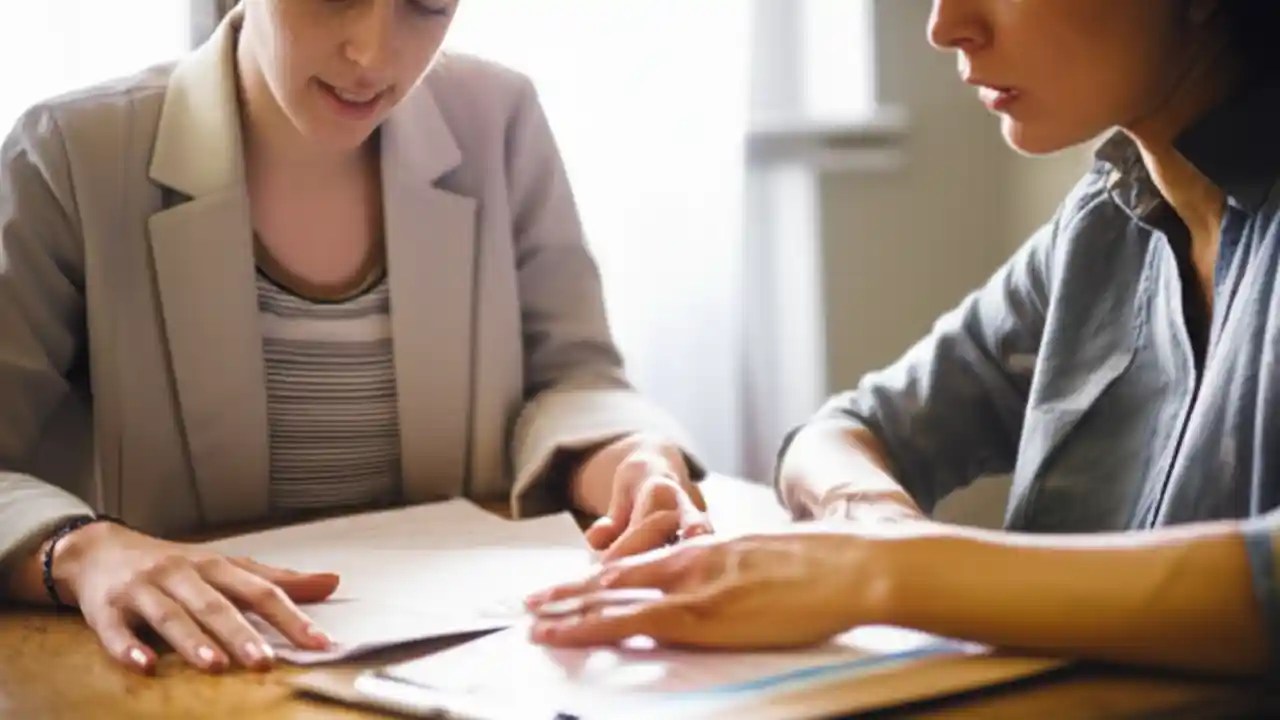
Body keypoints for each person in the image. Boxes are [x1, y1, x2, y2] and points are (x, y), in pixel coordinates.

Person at [527, 0, 1280, 676]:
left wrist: (886, 572)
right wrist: (872, 526)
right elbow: (842, 431)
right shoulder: (1102, 224)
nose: (946, 25)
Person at [0, 0, 711, 675]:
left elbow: (574, 376)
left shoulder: (501, 119)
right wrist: (84, 553)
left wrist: (625, 459)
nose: (373, 54)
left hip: (470, 660)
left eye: (427, 3)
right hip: (187, 672)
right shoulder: (70, 155)